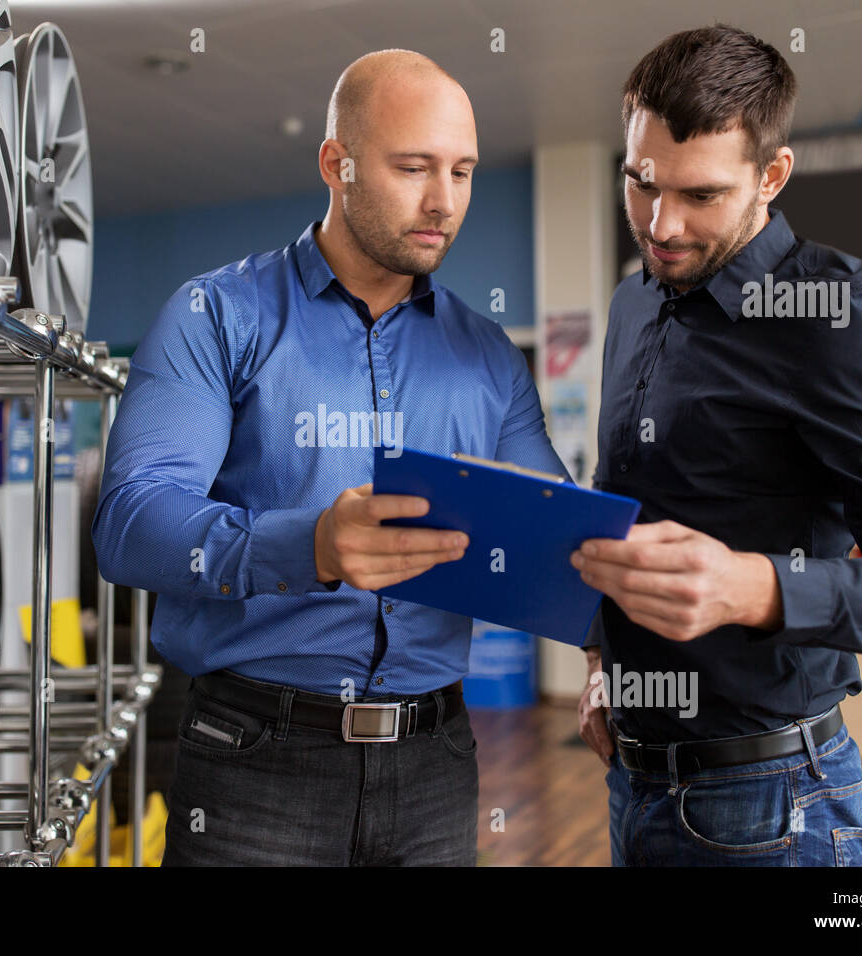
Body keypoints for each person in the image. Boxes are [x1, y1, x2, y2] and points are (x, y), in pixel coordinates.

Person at [93, 49, 568, 866]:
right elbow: (131, 523)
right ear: (335, 163)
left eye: (462, 172)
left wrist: (600, 635)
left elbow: (554, 534)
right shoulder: (216, 316)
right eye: (413, 166)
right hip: (254, 760)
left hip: (436, 764)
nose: (443, 202)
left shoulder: (490, 357)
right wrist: (308, 545)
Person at [572, 24, 862, 867]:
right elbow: (636, 518)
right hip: (632, 782)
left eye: (701, 196)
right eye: (642, 183)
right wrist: (600, 660)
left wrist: (753, 586)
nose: (661, 225)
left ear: (771, 176)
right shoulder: (632, 306)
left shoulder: (839, 321)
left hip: (770, 806)